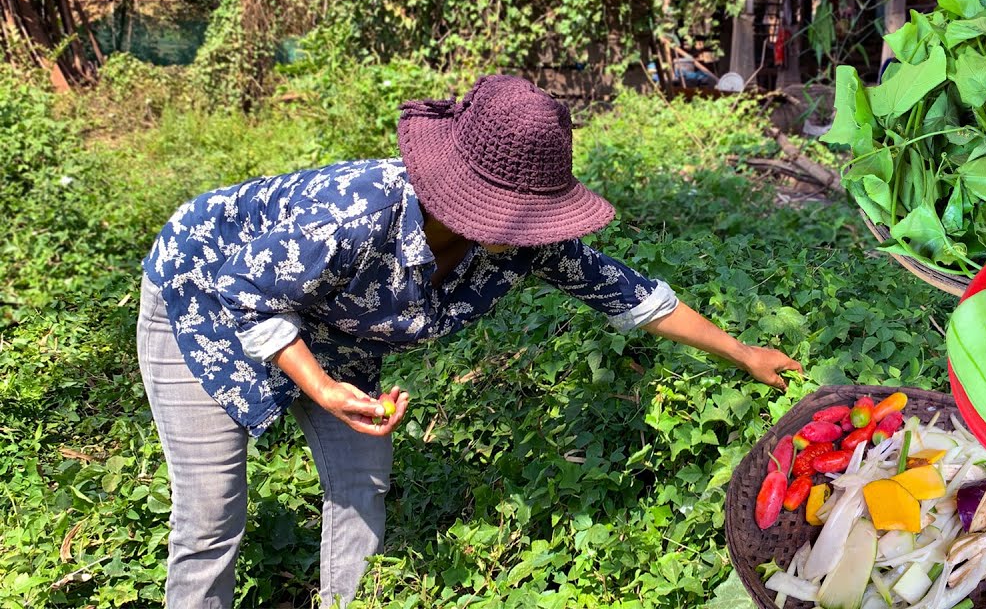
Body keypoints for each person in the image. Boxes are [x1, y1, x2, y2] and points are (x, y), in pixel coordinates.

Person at [136, 74, 803, 607]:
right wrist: (320, 387)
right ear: (461, 189)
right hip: (205, 296)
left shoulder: (523, 236)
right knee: (212, 511)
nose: (532, 226)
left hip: (329, 323)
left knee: (363, 478)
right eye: (514, 209)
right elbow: (244, 289)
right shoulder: (356, 214)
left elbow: (626, 293)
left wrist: (744, 353)